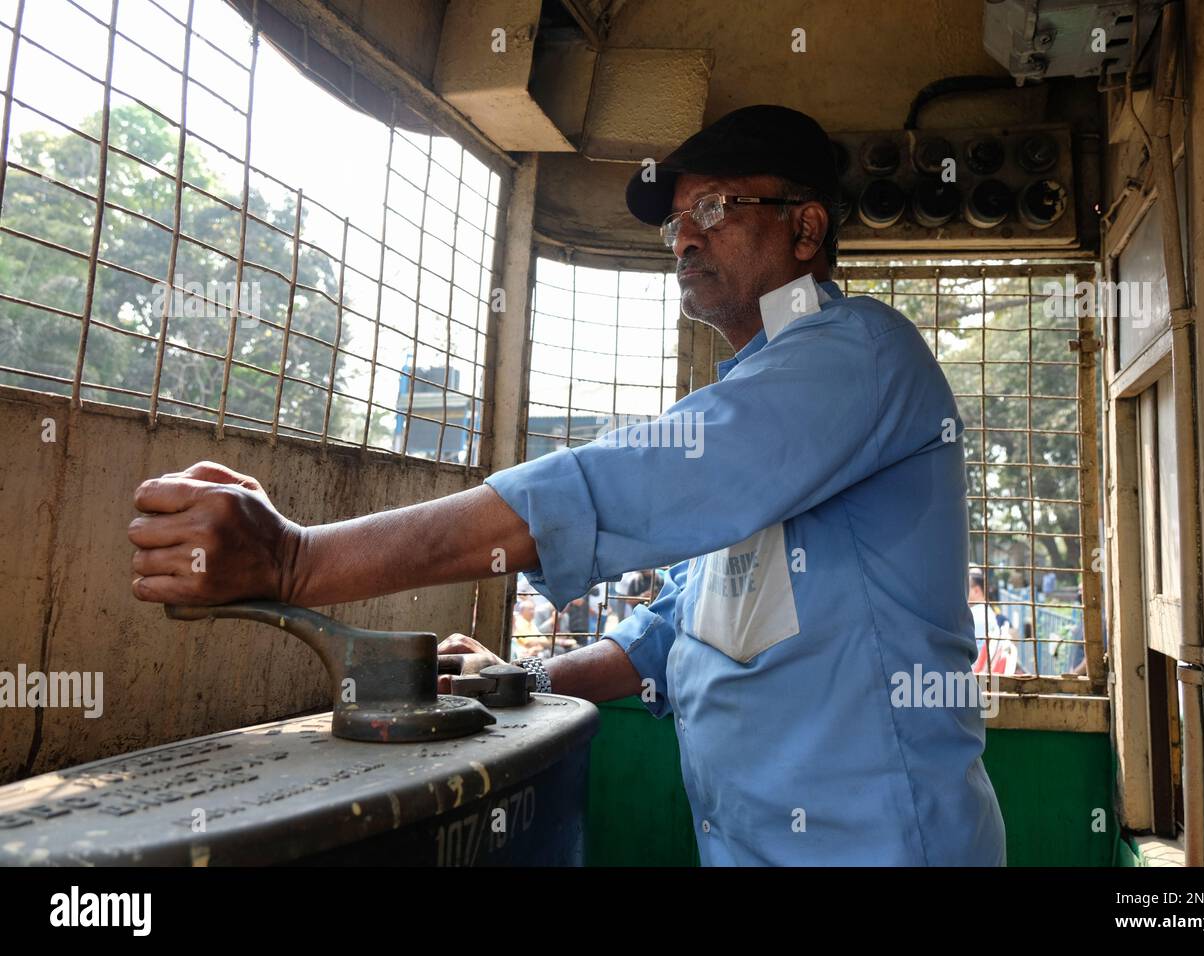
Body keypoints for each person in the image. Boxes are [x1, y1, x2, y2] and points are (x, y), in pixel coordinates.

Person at [127, 105, 1005, 866]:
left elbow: (620, 485)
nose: (685, 238)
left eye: (711, 208)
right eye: (674, 227)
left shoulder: (858, 353)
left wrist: (295, 562)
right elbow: (672, 636)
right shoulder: (763, 394)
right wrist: (527, 678)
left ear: (807, 231)